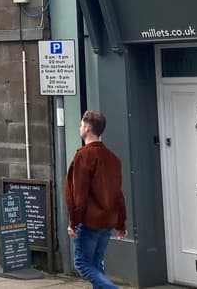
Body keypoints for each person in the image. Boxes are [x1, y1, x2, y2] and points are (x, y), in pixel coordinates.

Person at [66, 110, 127, 289]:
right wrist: (121, 224)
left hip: (89, 221)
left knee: (83, 264)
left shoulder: (83, 156)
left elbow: (80, 194)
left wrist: (73, 222)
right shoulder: (113, 159)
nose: (80, 128)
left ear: (87, 128)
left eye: (81, 125)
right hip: (107, 222)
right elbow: (118, 194)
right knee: (96, 264)